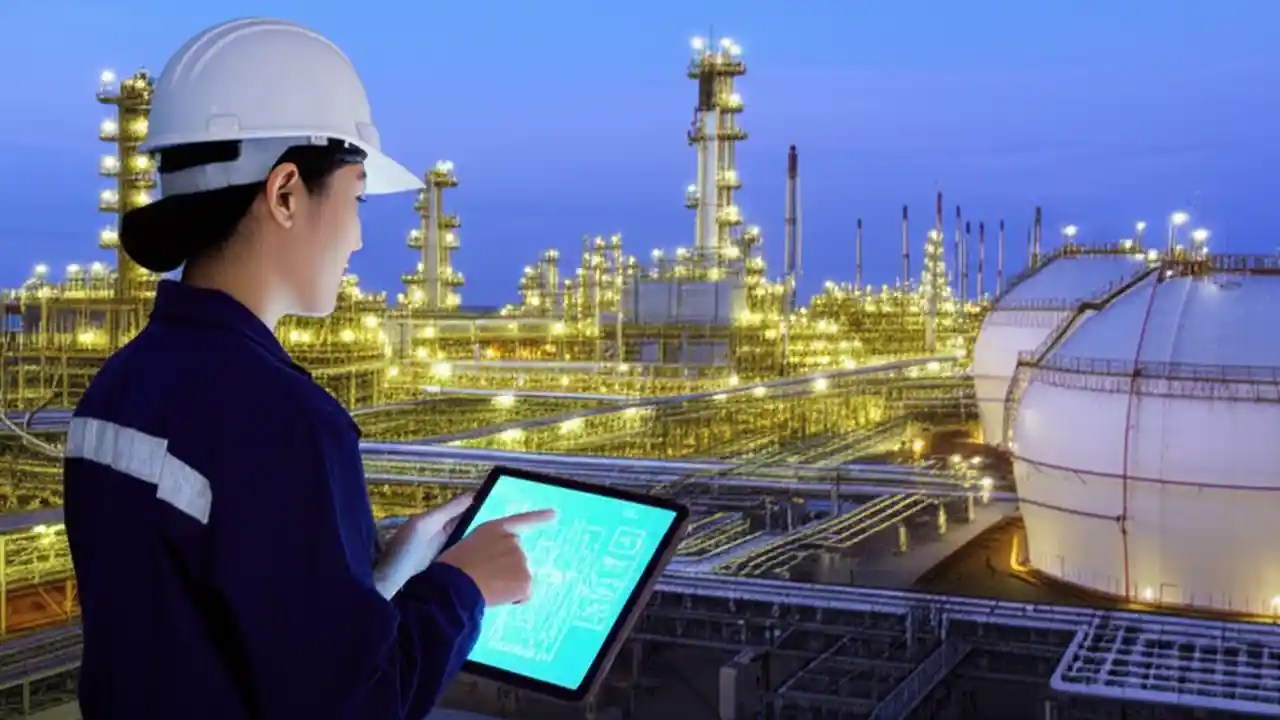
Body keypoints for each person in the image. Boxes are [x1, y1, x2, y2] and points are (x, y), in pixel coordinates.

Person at [62, 17, 553, 719]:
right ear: (287, 193)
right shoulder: (286, 422)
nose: (356, 236)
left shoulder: (114, 390)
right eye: (355, 198)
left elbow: (211, 632)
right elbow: (361, 705)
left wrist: (378, 573)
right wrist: (463, 585)